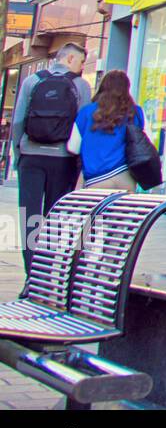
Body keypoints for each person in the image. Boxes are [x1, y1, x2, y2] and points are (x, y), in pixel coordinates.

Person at [12, 43, 92, 289]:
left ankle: (31, 278)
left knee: (30, 217)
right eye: (80, 63)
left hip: (31, 156)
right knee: (57, 217)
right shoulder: (80, 86)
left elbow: (18, 121)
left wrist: (19, 152)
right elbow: (82, 127)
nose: (81, 69)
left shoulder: (32, 81)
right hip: (62, 159)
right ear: (69, 58)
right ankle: (49, 275)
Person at [67, 70, 146, 192]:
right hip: (126, 176)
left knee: (97, 211)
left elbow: (73, 148)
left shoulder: (87, 112)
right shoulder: (136, 112)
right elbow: (147, 144)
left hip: (96, 178)